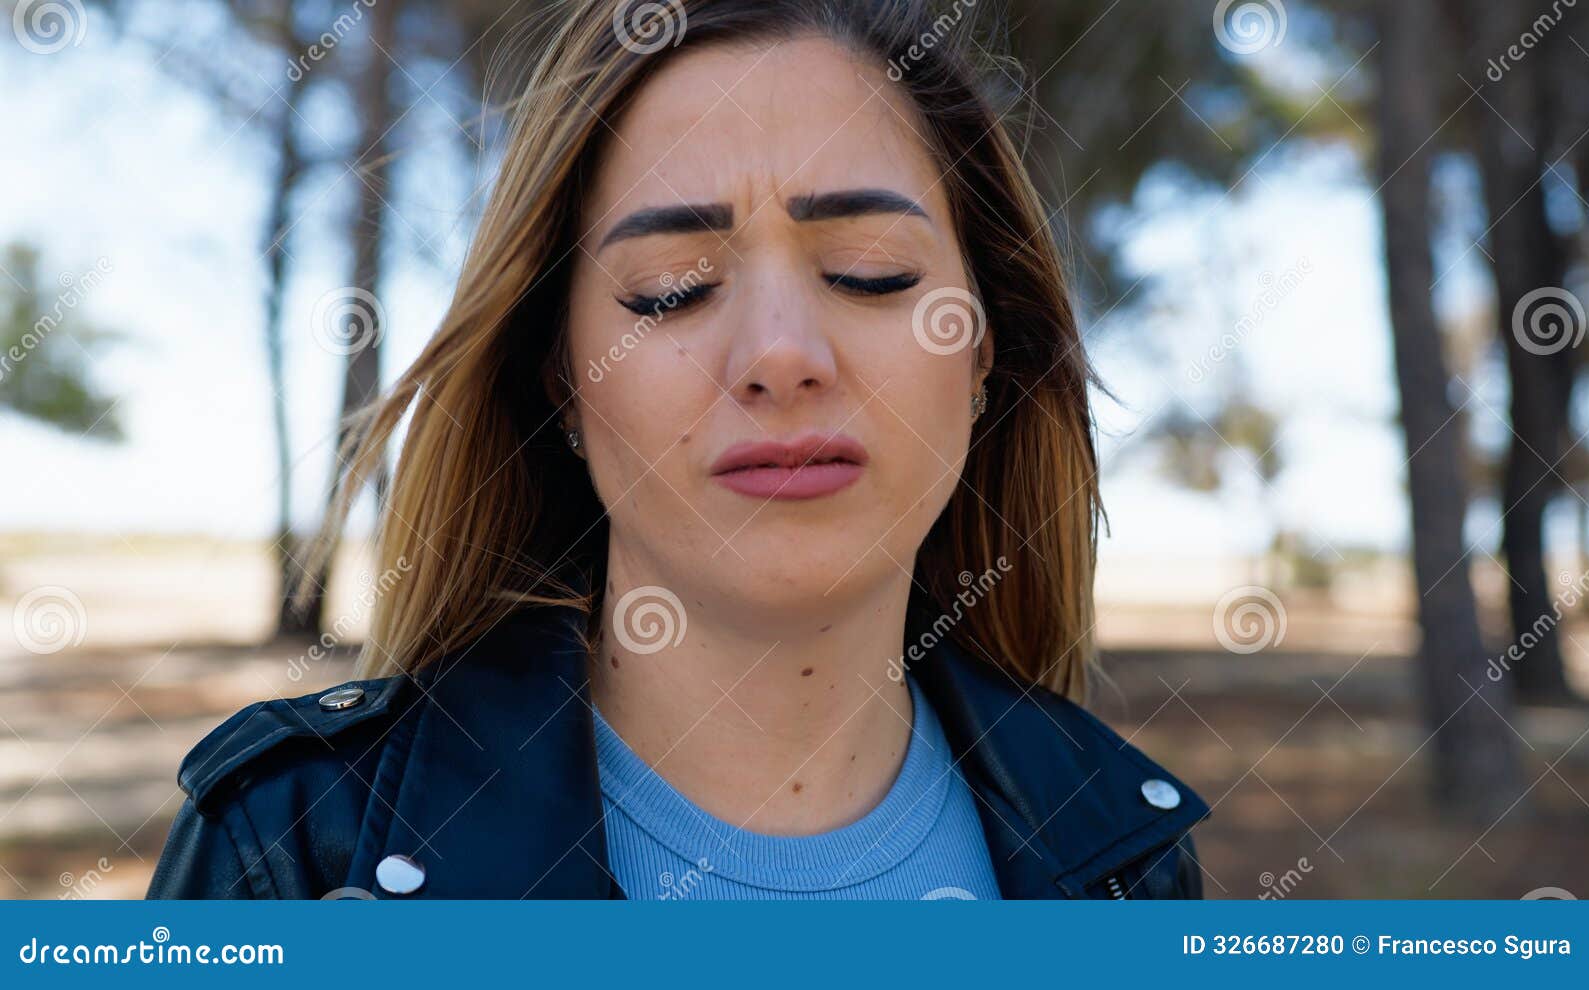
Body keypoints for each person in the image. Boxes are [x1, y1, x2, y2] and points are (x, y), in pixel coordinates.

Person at [148, 0, 1209, 900]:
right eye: (670, 291)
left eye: (872, 270)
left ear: (984, 349)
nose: (781, 355)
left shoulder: (1129, 858)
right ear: (559, 376)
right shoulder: (291, 849)